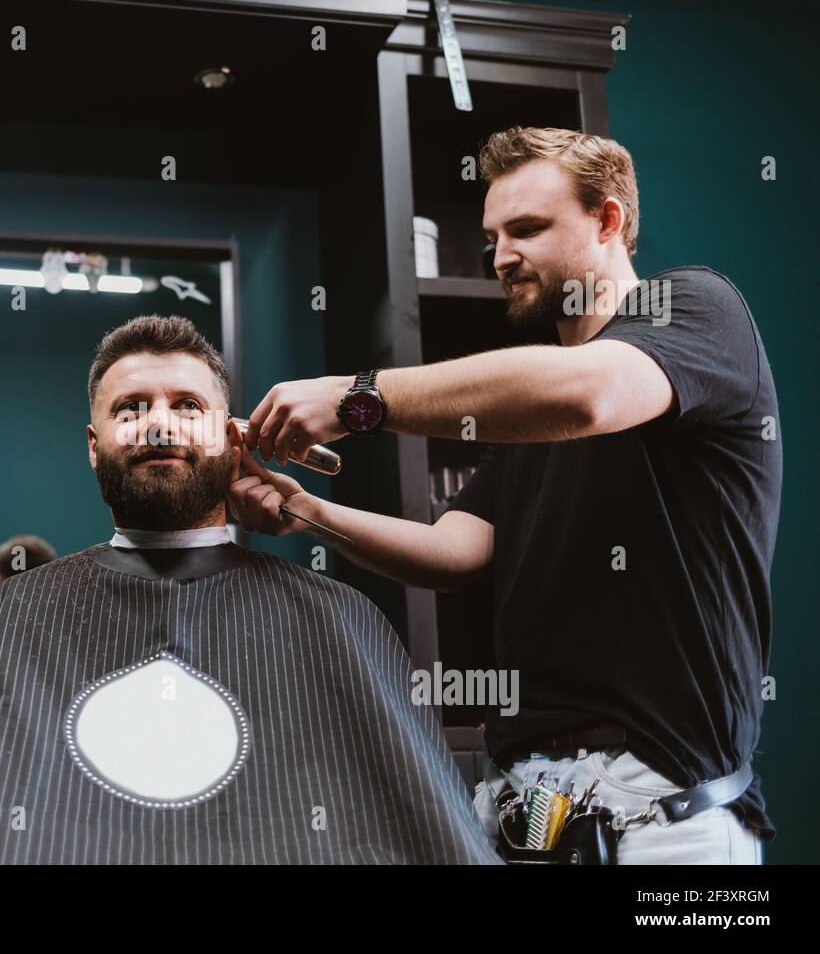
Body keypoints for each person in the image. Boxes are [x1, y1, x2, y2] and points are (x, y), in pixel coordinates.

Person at [230, 127, 780, 864]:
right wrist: (302, 508)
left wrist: (359, 398)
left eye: (527, 229)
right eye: (493, 236)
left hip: (670, 821)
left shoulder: (696, 310)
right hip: (527, 811)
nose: (501, 256)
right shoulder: (531, 417)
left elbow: (590, 395)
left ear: (609, 220)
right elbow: (453, 553)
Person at [0, 315, 500, 864]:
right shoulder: (16, 614)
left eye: (187, 407)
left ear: (231, 435)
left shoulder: (336, 616)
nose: (159, 426)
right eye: (131, 409)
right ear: (93, 446)